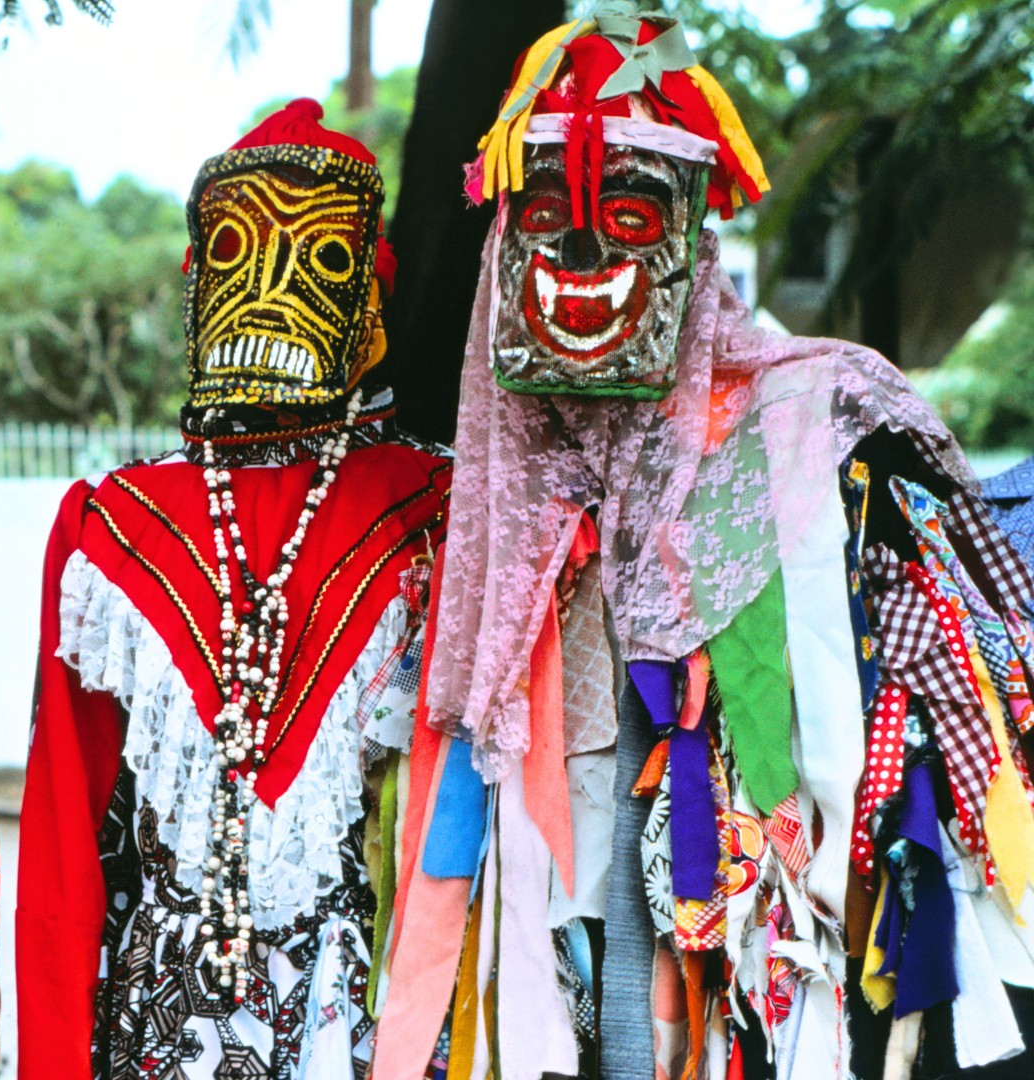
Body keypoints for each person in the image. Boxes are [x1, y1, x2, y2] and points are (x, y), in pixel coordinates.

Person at [375, 5, 1034, 1077]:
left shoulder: (817, 423)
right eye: (544, 211)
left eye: (629, 220)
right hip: (553, 972)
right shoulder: (486, 500)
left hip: (775, 965)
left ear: (691, 232)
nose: (580, 254)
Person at [17, 99, 451, 1079]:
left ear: (368, 306)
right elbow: (59, 842)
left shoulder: (444, 508)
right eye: (233, 249)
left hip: (381, 1025)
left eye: (324, 261)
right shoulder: (114, 524)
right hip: (163, 1034)